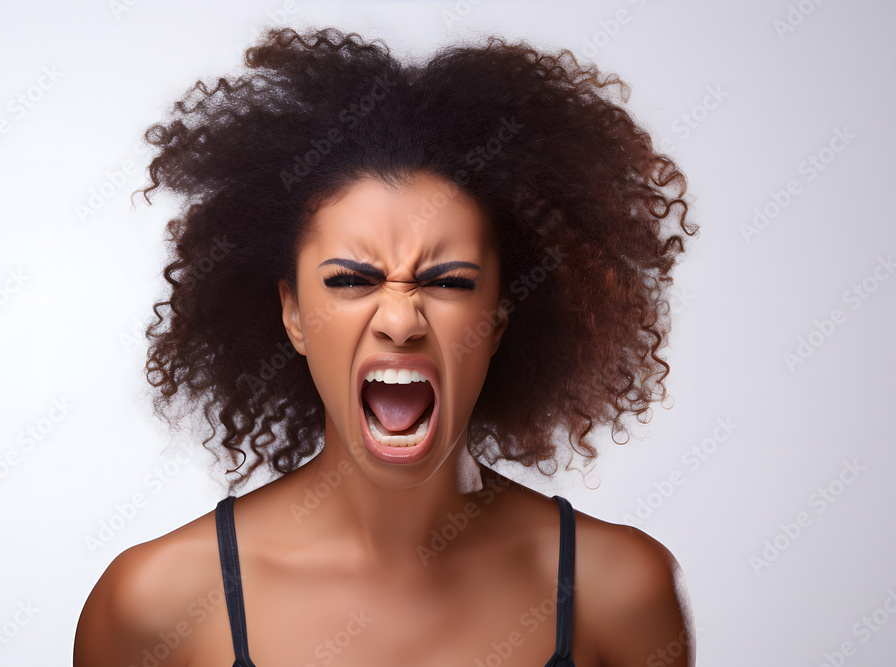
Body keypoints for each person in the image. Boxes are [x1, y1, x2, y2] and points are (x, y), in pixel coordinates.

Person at [74, 25, 697, 667]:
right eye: (350, 281)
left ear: (500, 318)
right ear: (293, 313)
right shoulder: (155, 607)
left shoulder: (618, 593)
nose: (400, 321)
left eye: (450, 282)